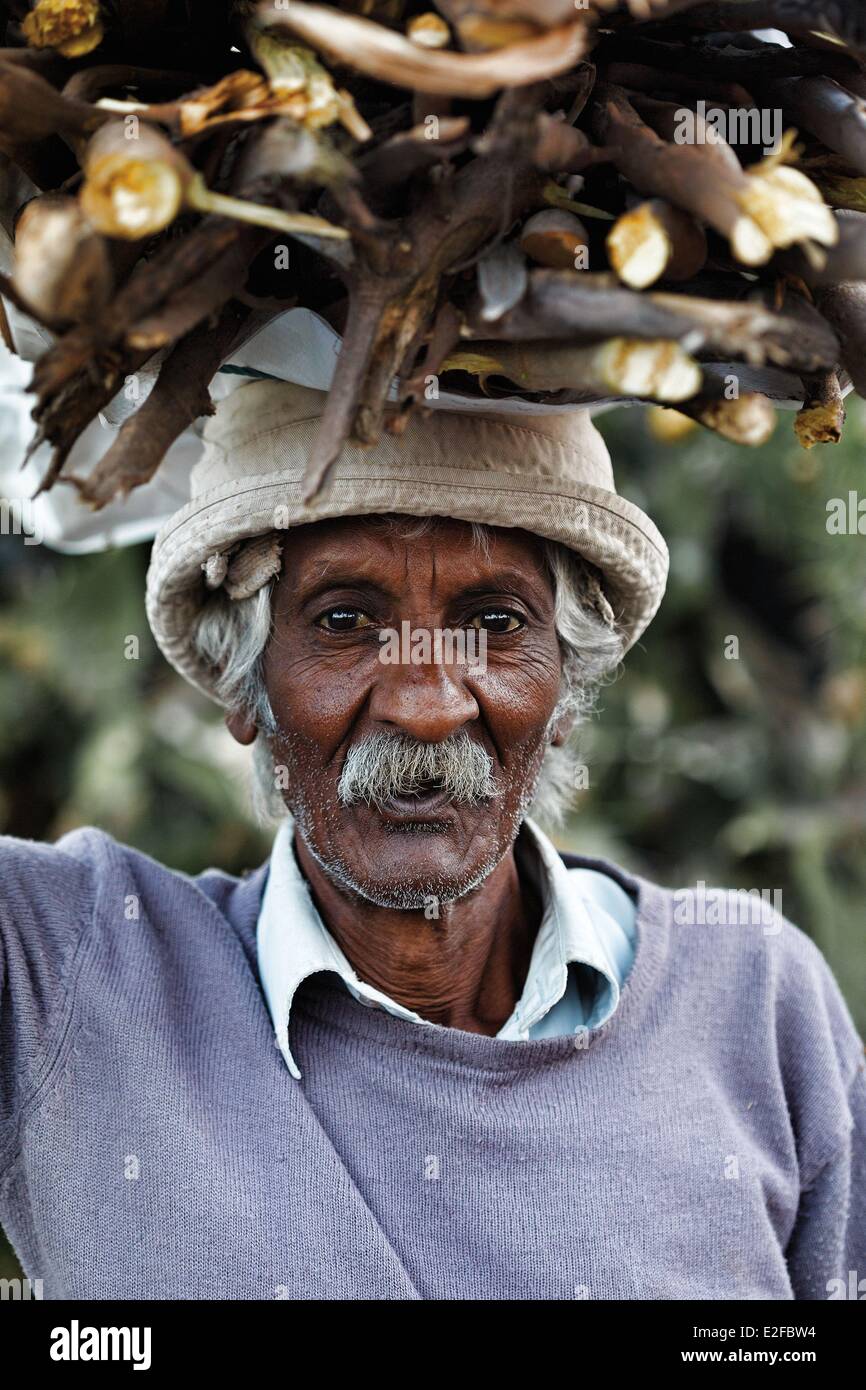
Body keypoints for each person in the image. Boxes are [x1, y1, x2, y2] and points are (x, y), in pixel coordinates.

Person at [1, 382, 863, 1299]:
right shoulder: (67, 967)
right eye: (345, 622)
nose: (426, 705)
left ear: (568, 687)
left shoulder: (752, 995)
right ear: (241, 682)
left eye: (494, 623)